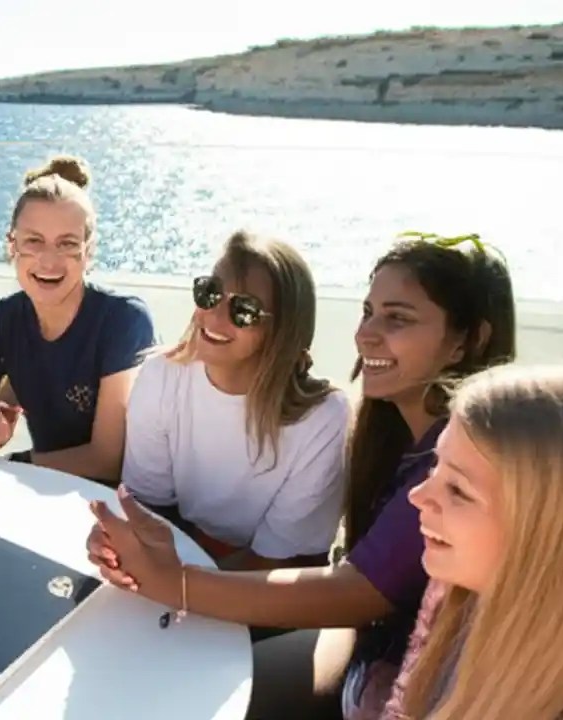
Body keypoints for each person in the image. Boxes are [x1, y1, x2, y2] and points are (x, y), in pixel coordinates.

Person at [87, 233, 517, 719]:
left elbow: (355, 593)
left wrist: (176, 584)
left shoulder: (451, 459)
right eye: (368, 311)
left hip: (403, 673)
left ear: (467, 341)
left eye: (397, 318)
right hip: (371, 649)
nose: (366, 335)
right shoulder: (395, 437)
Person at [380, 366, 563, 719]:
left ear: (561, 530)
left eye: (457, 489)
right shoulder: (462, 601)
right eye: (434, 467)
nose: (418, 496)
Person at [123, 230, 350, 571]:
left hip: (276, 582)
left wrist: (179, 587)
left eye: (244, 310)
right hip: (183, 558)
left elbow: (280, 561)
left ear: (284, 331)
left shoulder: (323, 420)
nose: (214, 316)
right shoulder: (160, 376)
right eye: (210, 292)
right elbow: (147, 508)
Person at [0, 155, 156, 484]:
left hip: (127, 505)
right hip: (47, 490)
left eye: (67, 244)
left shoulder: (123, 320)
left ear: (89, 252)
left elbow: (107, 460)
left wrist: (11, 463)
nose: (48, 261)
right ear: (11, 246)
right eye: (34, 241)